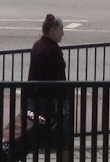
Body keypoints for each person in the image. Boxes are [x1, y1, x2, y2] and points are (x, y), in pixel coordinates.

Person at [25, 13, 72, 159]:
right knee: (64, 137)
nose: (63, 33)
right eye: (61, 30)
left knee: (42, 137)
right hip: (50, 101)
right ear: (53, 31)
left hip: (36, 99)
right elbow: (57, 78)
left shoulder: (38, 44)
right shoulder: (52, 50)